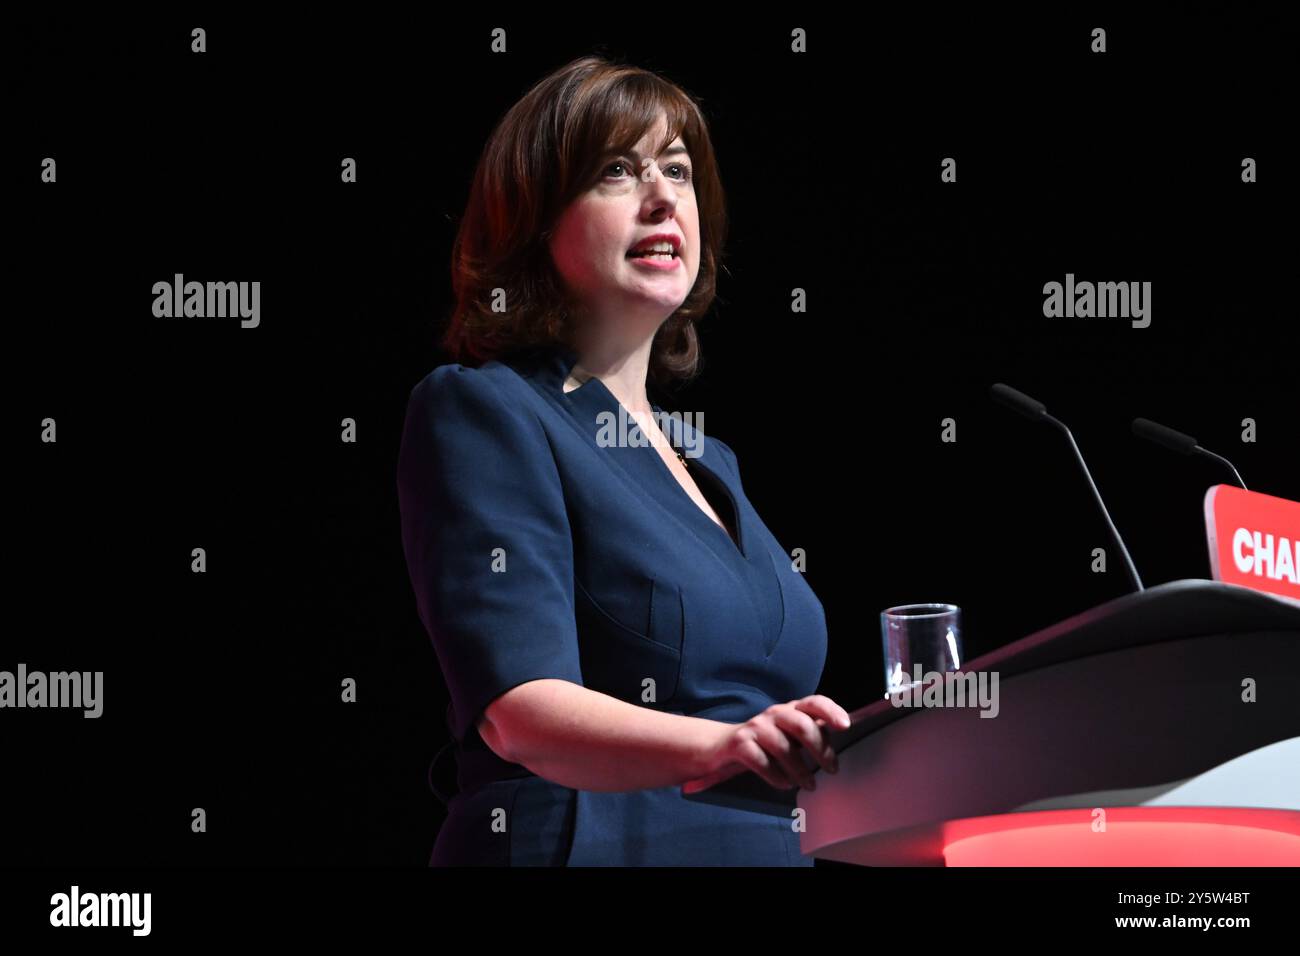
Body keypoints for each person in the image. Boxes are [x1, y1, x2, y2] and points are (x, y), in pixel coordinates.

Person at [397, 55, 850, 866]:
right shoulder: (487, 409)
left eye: (678, 171)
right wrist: (721, 743)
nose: (664, 197)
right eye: (617, 171)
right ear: (534, 218)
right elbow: (520, 712)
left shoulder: (712, 460)